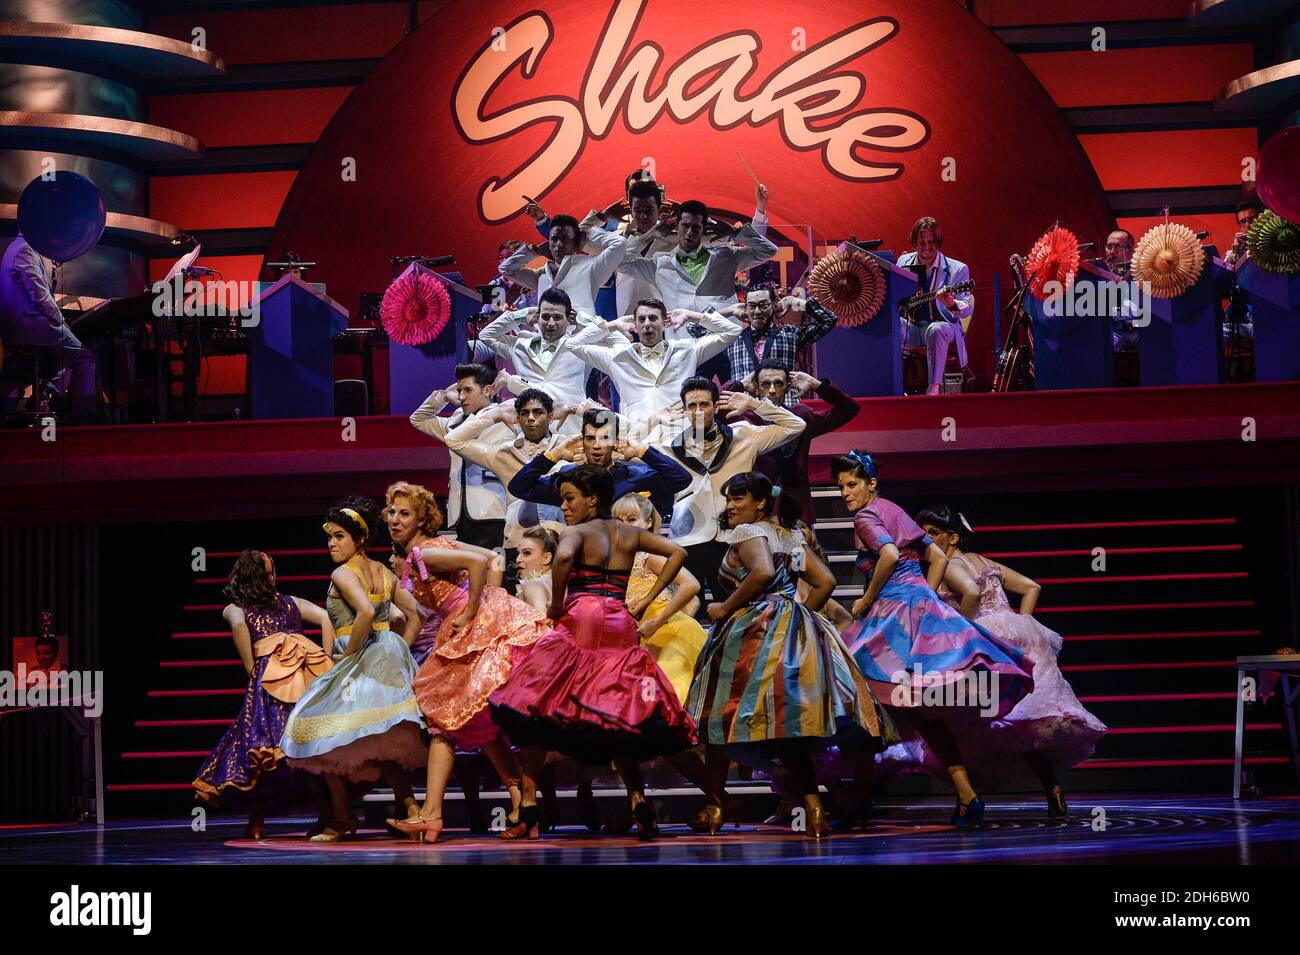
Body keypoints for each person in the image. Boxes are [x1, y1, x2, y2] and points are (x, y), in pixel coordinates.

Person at [489, 465, 702, 840]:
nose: (564, 506)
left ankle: (529, 805)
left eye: (570, 498)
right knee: (617, 713)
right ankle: (637, 798)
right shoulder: (629, 533)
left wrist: (556, 603)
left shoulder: (576, 533)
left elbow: (565, 557)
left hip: (582, 616)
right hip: (619, 619)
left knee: (537, 706)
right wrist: (645, 601)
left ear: (593, 499)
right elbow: (678, 552)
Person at [687, 472, 896, 837]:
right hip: (791, 628)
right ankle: (814, 809)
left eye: (740, 498)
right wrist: (801, 618)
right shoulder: (791, 535)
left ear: (762, 502)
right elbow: (825, 582)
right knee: (785, 727)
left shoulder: (748, 533)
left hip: (752, 628)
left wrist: (726, 607)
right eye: (729, 498)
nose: (732, 506)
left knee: (717, 717)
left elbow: (762, 572)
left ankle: (716, 803)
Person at [833, 451, 1034, 830]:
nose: (845, 493)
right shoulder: (894, 508)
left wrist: (868, 598)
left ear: (871, 484)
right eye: (841, 486)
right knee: (918, 711)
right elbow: (937, 555)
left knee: (862, 699)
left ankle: (860, 800)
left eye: (852, 484)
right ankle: (966, 796)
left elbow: (890, 555)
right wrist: (924, 592)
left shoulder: (865, 516)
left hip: (892, 616)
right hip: (919, 608)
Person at [909, 505, 1106, 817]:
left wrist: (964, 631)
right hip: (1016, 637)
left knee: (962, 718)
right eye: (924, 534)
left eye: (934, 533)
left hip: (986, 638)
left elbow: (971, 595)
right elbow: (1031, 587)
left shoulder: (946, 563)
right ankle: (1049, 785)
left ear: (954, 537)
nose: (927, 540)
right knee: (1021, 720)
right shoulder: (986, 562)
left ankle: (967, 801)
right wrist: (1021, 625)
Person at [386, 493, 549, 843]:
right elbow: (489, 557)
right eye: (392, 513)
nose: (394, 520)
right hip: (469, 621)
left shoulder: (424, 551)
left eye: (404, 514)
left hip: (470, 622)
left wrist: (473, 610)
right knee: (476, 719)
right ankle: (521, 805)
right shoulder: (426, 550)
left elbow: (480, 565)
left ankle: (431, 814)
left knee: (444, 720)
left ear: (421, 519)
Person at [280, 499, 428, 842]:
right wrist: (397, 645)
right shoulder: (382, 570)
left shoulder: (343, 573)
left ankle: (342, 818)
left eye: (339, 536)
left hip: (360, 658)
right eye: (329, 537)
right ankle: (411, 810)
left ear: (358, 539)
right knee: (379, 739)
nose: (331, 543)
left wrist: (349, 656)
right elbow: (414, 614)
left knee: (320, 734)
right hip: (382, 658)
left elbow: (363, 612)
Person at [193, 549, 335, 839]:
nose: (272, 577)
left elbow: (325, 618)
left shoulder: (285, 603)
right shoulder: (242, 607)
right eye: (267, 572)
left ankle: (321, 815)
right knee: (269, 750)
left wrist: (325, 662)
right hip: (277, 683)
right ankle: (271, 816)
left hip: (292, 678)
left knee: (282, 748)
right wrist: (254, 670)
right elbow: (325, 618)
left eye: (272, 571)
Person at [662, 376, 806, 606]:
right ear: (685, 409)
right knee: (684, 618)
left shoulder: (744, 434)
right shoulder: (667, 443)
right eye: (692, 406)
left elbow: (796, 426)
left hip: (732, 539)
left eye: (704, 404)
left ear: (716, 406)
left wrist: (754, 404)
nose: (698, 411)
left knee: (735, 612)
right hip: (686, 540)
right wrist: (651, 421)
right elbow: (624, 447)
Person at [441, 387, 570, 578]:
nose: (531, 418)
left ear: (551, 416)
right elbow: (453, 440)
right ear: (517, 418)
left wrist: (575, 408)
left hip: (559, 534)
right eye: (524, 413)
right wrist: (495, 414)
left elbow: (611, 432)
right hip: (517, 539)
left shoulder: (567, 445)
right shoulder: (503, 453)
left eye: (538, 412)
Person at [563, 298, 740, 435]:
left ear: (665, 323)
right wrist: (612, 325)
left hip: (683, 433)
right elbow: (573, 344)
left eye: (653, 318)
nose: (647, 323)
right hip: (638, 435)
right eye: (642, 319)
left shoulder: (687, 348)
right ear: (636, 326)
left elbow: (732, 331)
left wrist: (691, 315)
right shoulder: (617, 356)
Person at [727, 358, 859, 525]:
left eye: (779, 384)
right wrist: (740, 384)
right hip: (755, 509)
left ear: (788, 387)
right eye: (765, 384)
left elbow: (849, 408)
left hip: (796, 509)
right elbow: (710, 406)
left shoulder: (801, 416)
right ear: (756, 388)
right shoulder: (745, 419)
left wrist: (816, 384)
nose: (772, 390)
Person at [507, 405, 691, 524]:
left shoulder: (634, 475)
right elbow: (518, 487)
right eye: (590, 438)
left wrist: (643, 451)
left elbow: (681, 479)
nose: (596, 445)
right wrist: (552, 456)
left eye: (604, 438)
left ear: (615, 442)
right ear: (582, 441)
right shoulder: (569, 477)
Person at [409, 363, 512, 551]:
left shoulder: (504, 416)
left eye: (468, 390)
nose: (462, 396)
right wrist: (443, 395)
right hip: (460, 513)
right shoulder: (454, 421)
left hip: (493, 509)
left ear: (487, 390)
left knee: (494, 573)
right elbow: (418, 419)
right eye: (459, 390)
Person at [0, 234, 98, 421]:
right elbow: (40, 296)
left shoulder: (20, 247)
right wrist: (60, 320)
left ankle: (45, 395)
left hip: (27, 324)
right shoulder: (24, 250)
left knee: (64, 357)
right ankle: (83, 417)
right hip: (30, 324)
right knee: (85, 358)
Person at [478, 288, 618, 408]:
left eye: (557, 317)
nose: (551, 323)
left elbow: (618, 344)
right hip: (528, 425)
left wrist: (582, 318)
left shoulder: (582, 346)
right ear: (537, 317)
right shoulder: (520, 345)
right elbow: (486, 335)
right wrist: (522, 314)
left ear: (569, 319)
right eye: (545, 317)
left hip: (569, 427)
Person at [897, 217, 974, 395]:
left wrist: (952, 303)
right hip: (913, 327)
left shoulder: (958, 269)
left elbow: (967, 307)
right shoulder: (903, 262)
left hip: (943, 327)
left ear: (937, 242)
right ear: (914, 242)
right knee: (891, 325)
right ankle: (891, 383)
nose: (926, 247)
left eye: (931, 242)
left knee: (936, 329)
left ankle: (933, 388)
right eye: (921, 242)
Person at [724, 284, 838, 401]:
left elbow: (829, 319)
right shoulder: (733, 338)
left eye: (764, 305)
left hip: (785, 408)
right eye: (752, 306)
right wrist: (729, 310)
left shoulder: (790, 334)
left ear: (774, 305)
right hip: (744, 410)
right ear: (746, 308)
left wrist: (796, 302)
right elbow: (703, 326)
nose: (757, 311)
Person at [499, 213, 626, 316]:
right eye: (554, 239)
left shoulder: (591, 267)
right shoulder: (542, 275)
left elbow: (619, 244)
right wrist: (533, 251)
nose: (558, 244)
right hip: (548, 343)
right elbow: (505, 269)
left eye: (565, 239)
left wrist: (587, 232)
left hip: (581, 342)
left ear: (577, 242)